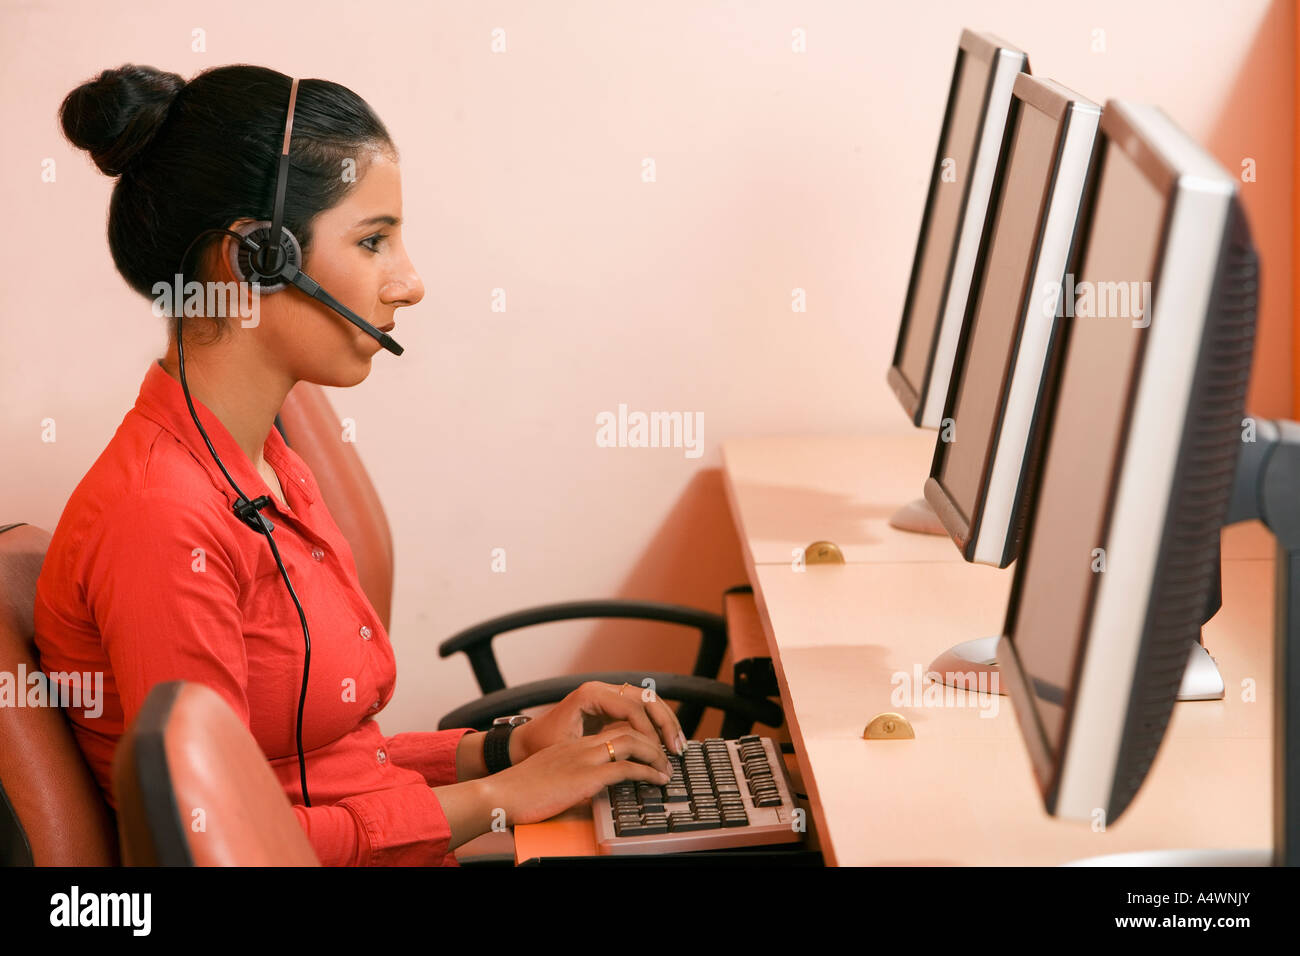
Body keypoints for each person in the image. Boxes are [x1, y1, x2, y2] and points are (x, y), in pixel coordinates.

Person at [34, 63, 683, 866]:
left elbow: (322, 771)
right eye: (373, 241)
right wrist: (498, 801)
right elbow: (232, 844)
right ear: (254, 260)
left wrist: (503, 750)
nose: (408, 284)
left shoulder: (266, 462)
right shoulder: (161, 518)